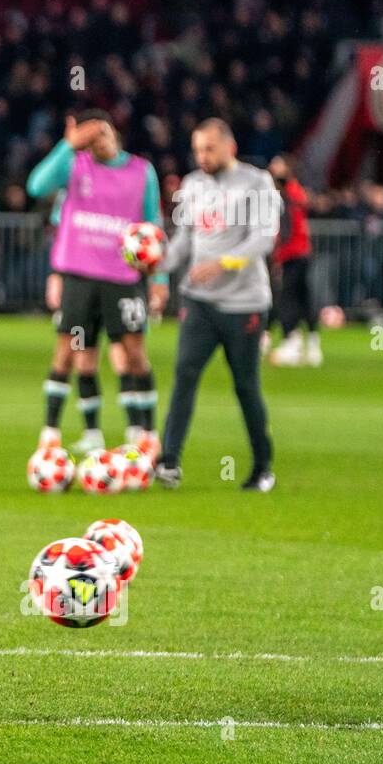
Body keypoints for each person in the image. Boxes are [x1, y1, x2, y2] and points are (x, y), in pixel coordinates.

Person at [27, 109, 163, 458]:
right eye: (88, 138)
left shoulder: (141, 171)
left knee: (133, 353)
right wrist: (68, 146)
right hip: (79, 276)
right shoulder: (74, 165)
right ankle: (52, 434)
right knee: (71, 354)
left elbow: (153, 223)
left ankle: (144, 433)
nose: (95, 143)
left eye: (99, 134)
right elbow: (36, 185)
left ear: (113, 132)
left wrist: (159, 278)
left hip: (122, 279)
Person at [154, 119, 279, 492]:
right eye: (197, 149)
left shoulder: (257, 183)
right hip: (200, 301)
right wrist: (155, 263)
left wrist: (223, 262)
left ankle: (262, 467)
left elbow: (264, 240)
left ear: (230, 147)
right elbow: (182, 244)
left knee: (245, 386)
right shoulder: (192, 186)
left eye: (209, 148)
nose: (202, 156)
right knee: (184, 375)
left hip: (244, 303)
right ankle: (169, 462)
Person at [266, 154, 321, 367]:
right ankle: (312, 344)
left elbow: (286, 227)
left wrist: (277, 249)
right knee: (303, 296)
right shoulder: (295, 192)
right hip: (301, 251)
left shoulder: (288, 194)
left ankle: (292, 340)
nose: (273, 166)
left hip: (293, 253)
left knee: (287, 297)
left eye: (277, 164)